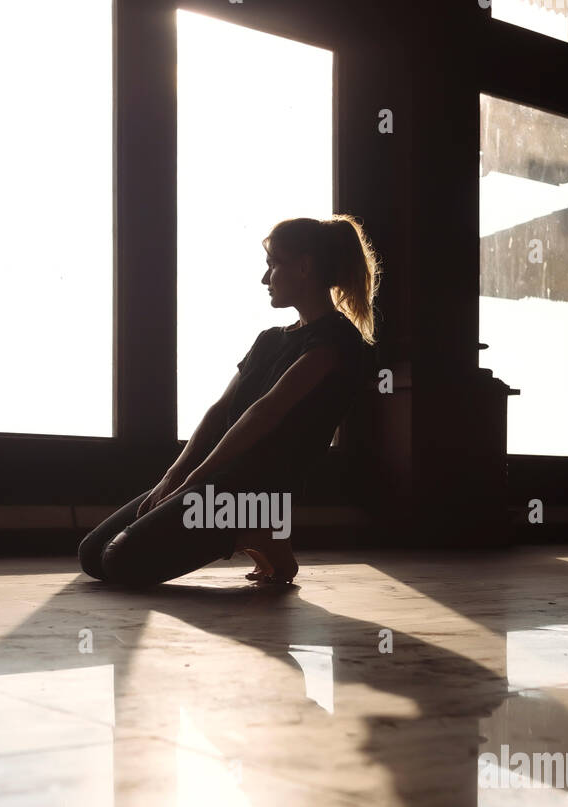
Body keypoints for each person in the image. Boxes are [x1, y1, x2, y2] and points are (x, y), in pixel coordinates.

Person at [78, 213, 380, 587]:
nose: (265, 278)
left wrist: (196, 478)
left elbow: (265, 412)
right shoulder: (269, 339)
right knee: (92, 555)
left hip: (256, 489)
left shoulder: (336, 341)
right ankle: (247, 529)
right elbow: (220, 410)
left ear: (304, 267)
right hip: (217, 478)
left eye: (273, 265)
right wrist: (175, 476)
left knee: (119, 562)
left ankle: (257, 532)